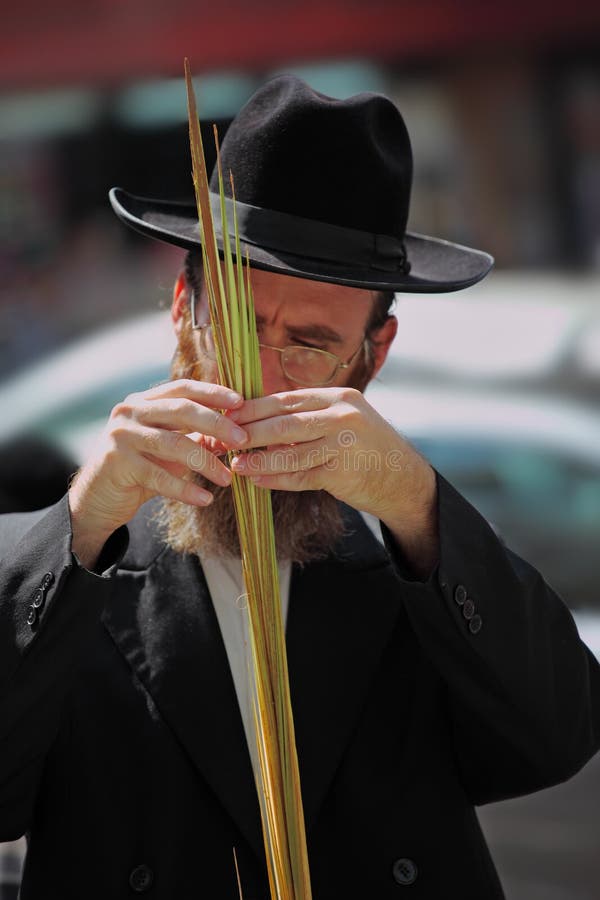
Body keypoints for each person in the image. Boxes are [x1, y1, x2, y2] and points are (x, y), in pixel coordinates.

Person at [0, 76, 598, 900]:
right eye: (238, 326)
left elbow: (557, 738)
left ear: (374, 355)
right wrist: (82, 519)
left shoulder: (415, 564)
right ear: (182, 307)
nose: (260, 376)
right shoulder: (68, 560)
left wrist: (417, 501)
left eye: (311, 345)